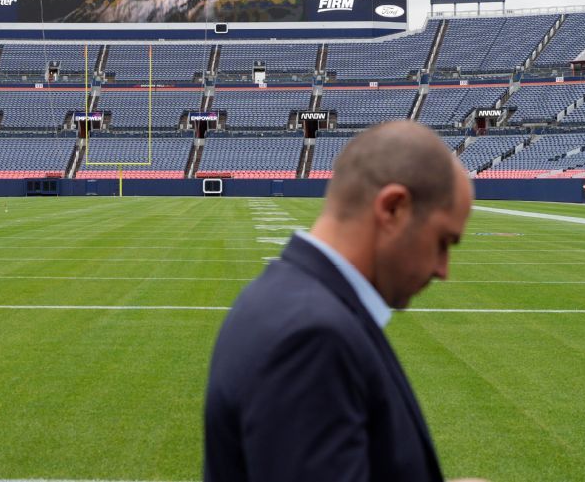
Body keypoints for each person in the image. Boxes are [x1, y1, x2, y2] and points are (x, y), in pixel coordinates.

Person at [204, 121, 477, 482]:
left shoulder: (290, 299)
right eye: (443, 241)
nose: (443, 270)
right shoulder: (312, 336)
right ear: (393, 208)